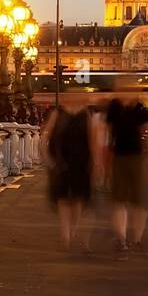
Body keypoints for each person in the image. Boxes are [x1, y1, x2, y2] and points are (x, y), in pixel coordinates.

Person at [107, 98, 148, 257]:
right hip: (119, 157)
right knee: (120, 200)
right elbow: (108, 132)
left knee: (138, 201)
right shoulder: (114, 106)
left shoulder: (139, 107)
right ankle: (122, 239)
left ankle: (136, 239)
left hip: (136, 157)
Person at [44, 106, 94, 252]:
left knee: (77, 199)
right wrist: (48, 159)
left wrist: (95, 162)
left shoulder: (85, 115)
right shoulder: (57, 113)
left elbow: (92, 140)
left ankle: (72, 231)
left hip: (81, 163)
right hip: (62, 163)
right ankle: (66, 234)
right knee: (63, 199)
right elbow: (46, 135)